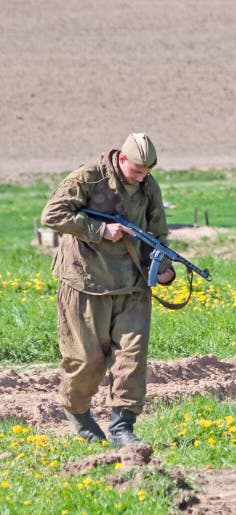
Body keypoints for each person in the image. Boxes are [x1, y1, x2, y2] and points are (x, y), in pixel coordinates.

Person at [41, 133, 175, 447]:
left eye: (147, 172)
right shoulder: (88, 178)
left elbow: (157, 234)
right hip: (86, 282)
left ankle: (122, 427)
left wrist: (165, 268)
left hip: (132, 285)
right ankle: (79, 415)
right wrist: (100, 230)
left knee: (132, 358)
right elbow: (53, 215)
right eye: (137, 171)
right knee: (86, 361)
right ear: (122, 159)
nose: (141, 177)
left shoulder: (148, 186)